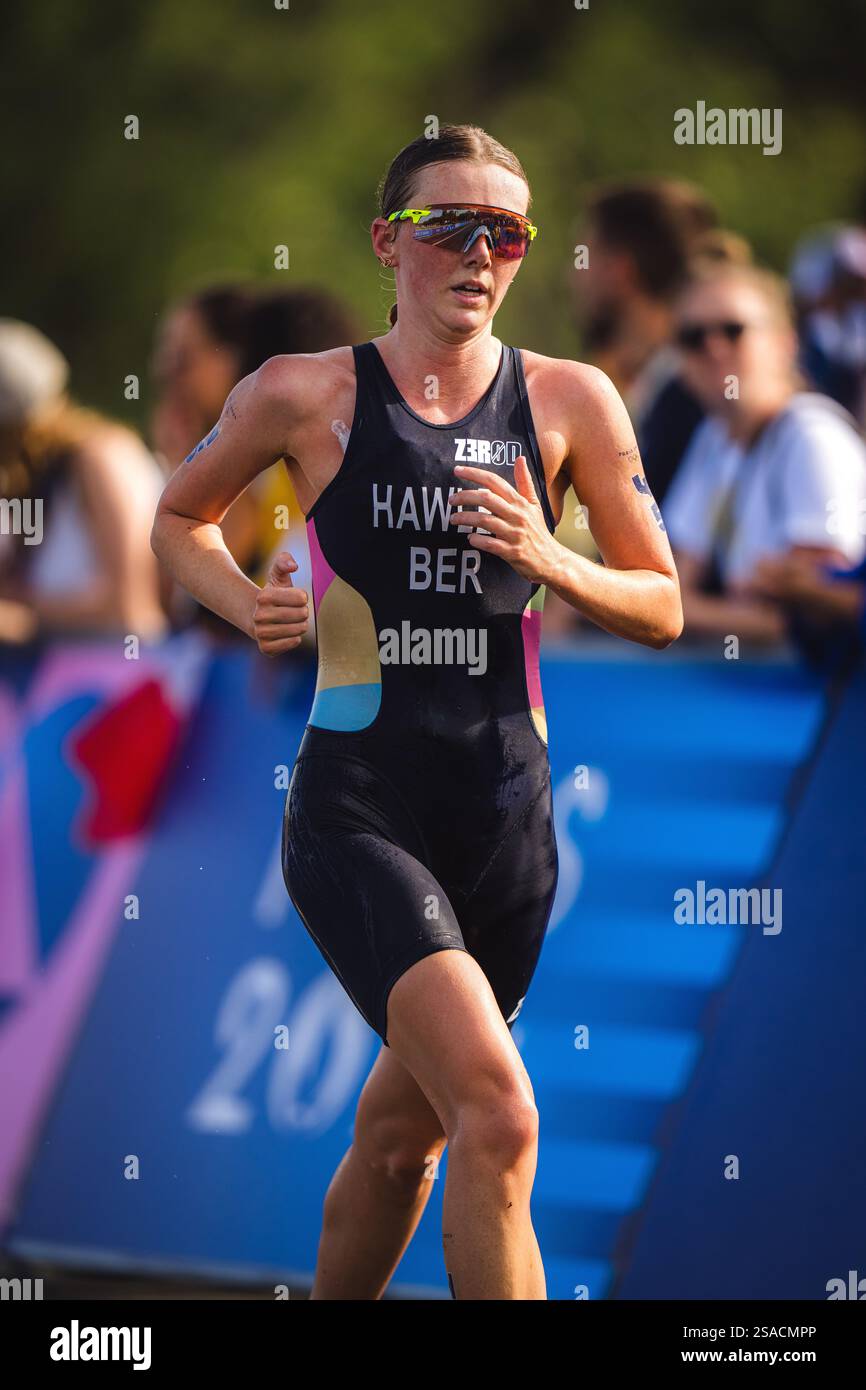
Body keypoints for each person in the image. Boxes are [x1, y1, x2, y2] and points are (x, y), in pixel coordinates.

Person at [151, 123, 682, 1300]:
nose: (481, 253)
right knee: (499, 1114)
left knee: (408, 1141)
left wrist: (554, 556)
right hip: (359, 805)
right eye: (453, 227)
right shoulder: (302, 392)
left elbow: (662, 601)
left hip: (506, 825)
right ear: (389, 242)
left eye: (506, 233)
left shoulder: (570, 400)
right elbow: (174, 519)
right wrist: (248, 605)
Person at [664, 264, 866, 644]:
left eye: (733, 330)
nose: (713, 347)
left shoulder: (813, 438)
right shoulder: (715, 437)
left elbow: (814, 621)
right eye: (693, 337)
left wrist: (666, 612)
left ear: (784, 344)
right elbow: (677, 577)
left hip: (810, 696)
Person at [0, 319, 167, 644]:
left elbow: (130, 611)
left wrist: (24, 616)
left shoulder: (101, 457)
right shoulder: (37, 479)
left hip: (113, 680)